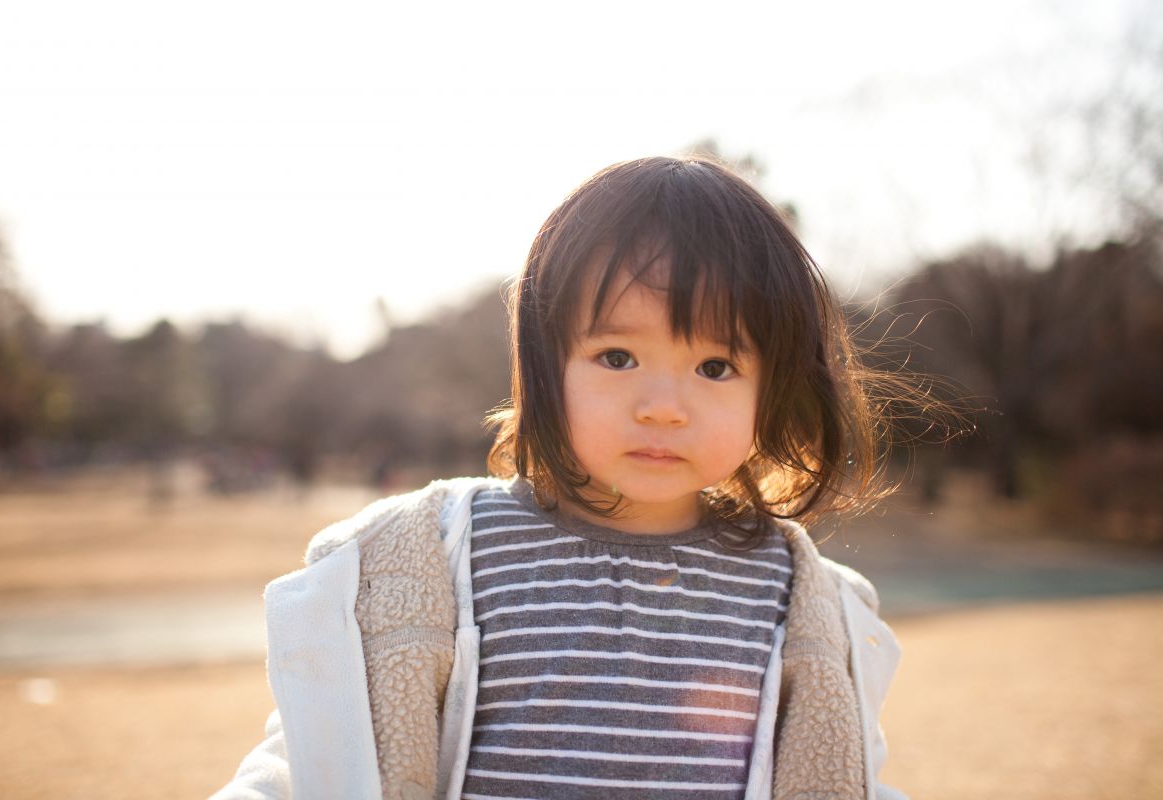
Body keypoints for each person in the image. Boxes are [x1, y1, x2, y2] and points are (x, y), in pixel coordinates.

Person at [213, 156, 909, 800]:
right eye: (616, 357)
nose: (663, 407)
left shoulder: (794, 593)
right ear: (545, 364)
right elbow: (306, 763)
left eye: (716, 368)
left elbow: (851, 775)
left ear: (776, 390)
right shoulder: (439, 556)